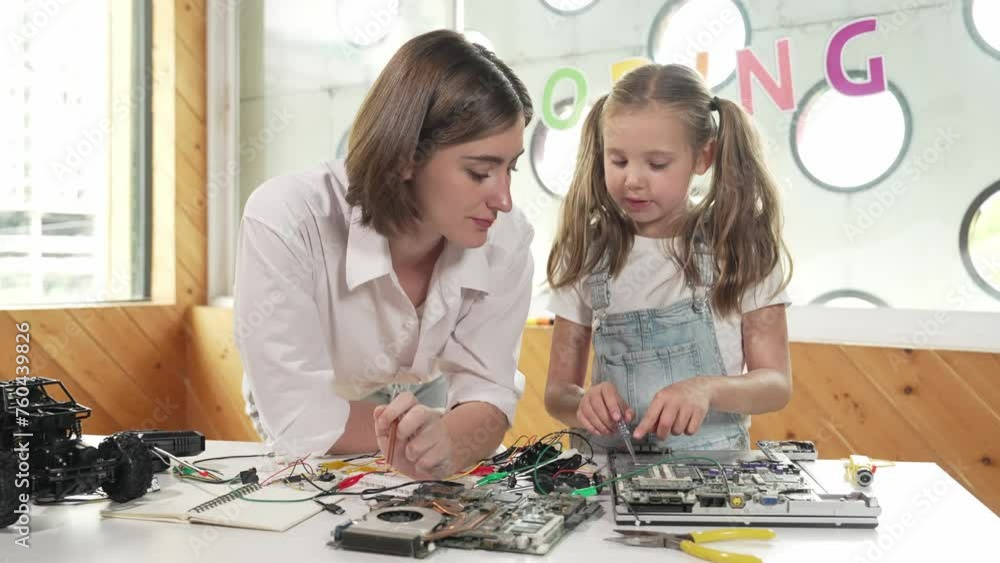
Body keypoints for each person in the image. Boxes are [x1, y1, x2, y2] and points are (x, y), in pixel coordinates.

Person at [233, 30, 535, 480]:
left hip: (426, 401)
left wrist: (448, 439)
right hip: (321, 409)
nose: (504, 199)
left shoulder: (507, 238)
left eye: (510, 168)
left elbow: (488, 393)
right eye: (479, 172)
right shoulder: (286, 218)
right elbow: (300, 416)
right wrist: (426, 439)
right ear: (405, 157)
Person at [543, 63, 793, 452]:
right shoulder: (589, 252)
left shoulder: (742, 248)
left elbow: (775, 384)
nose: (634, 180)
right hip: (608, 478)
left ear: (703, 157)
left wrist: (707, 389)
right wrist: (582, 403)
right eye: (618, 160)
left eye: (657, 164)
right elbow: (558, 392)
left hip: (714, 481)